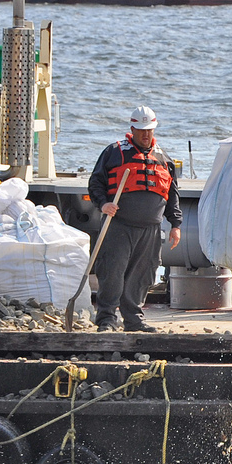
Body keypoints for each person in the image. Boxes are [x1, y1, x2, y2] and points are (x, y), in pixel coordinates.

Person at [87, 106, 181, 332]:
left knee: (142, 275)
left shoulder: (163, 158)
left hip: (150, 229)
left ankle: (134, 320)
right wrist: (103, 204)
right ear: (132, 129)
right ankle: (107, 319)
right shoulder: (114, 152)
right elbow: (96, 182)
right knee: (112, 273)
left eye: (149, 130)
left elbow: (172, 194)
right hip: (119, 224)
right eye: (141, 130)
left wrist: (176, 224)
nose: (146, 134)